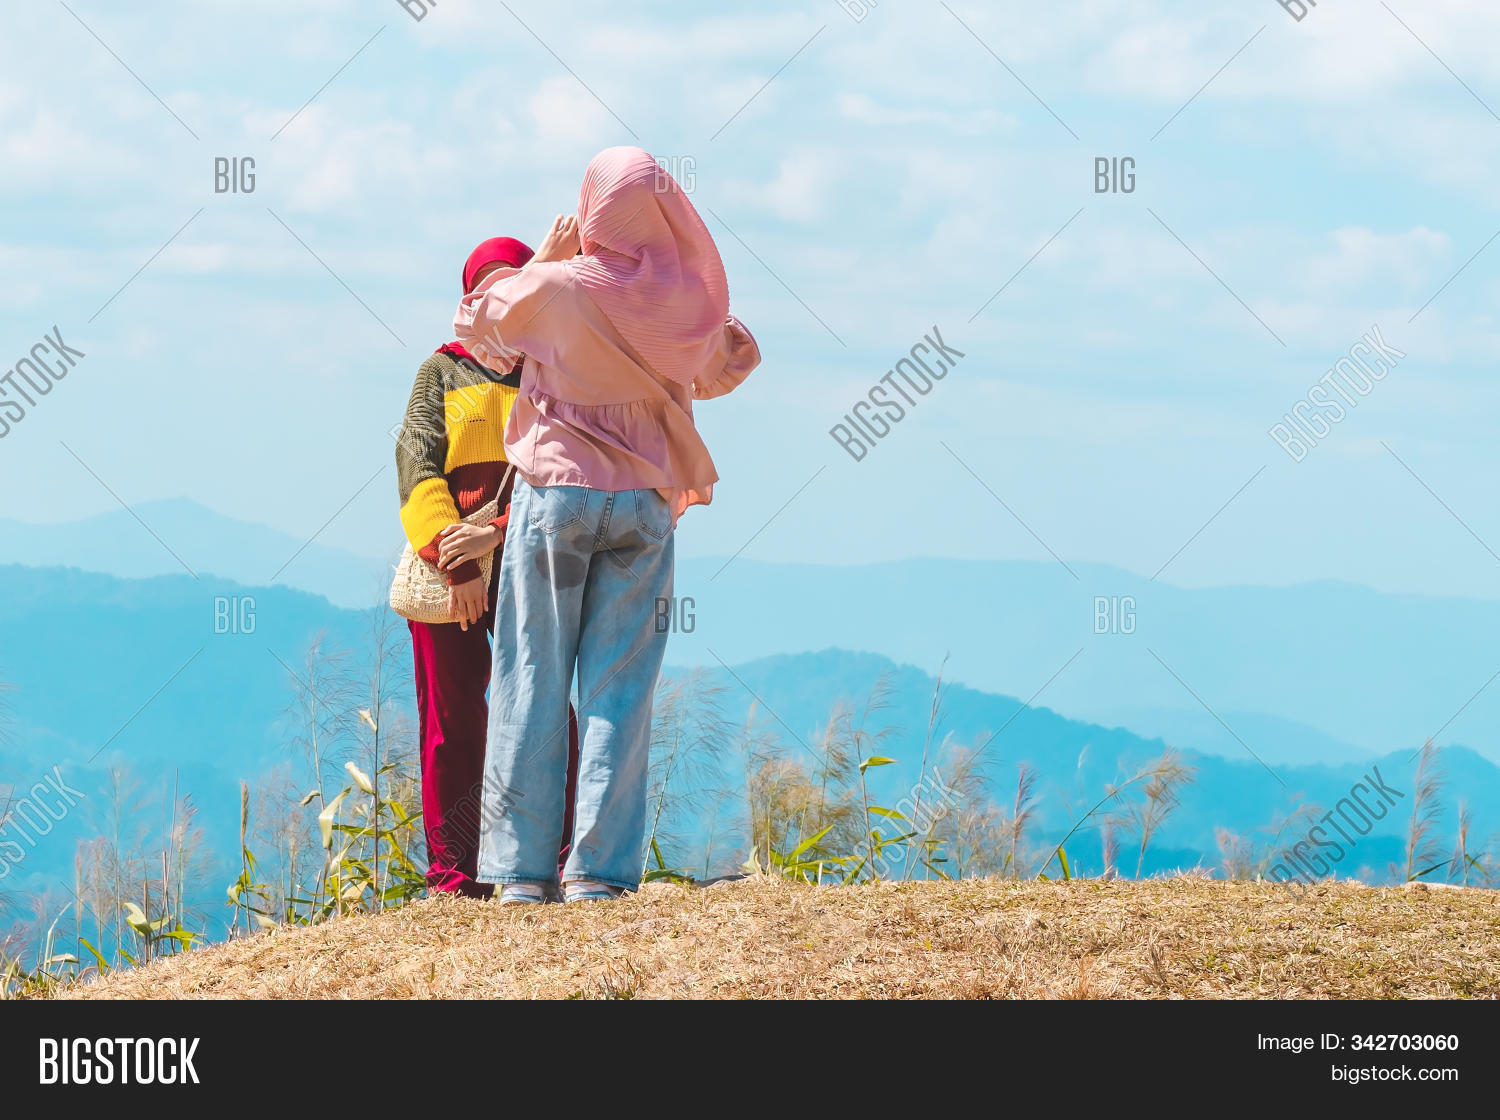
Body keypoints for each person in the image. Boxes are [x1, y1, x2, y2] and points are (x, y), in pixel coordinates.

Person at [453, 147, 761, 904]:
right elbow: (727, 367)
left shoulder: (559, 287)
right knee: (620, 688)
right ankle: (598, 876)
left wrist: (544, 261)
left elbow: (474, 327)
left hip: (555, 498)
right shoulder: (684, 303)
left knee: (530, 671)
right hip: (646, 504)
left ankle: (523, 875)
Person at [395, 236, 579, 899]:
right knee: (451, 724)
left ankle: (563, 861)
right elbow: (416, 468)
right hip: (450, 574)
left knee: (546, 709)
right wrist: (458, 565)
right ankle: (454, 874)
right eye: (489, 287)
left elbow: (564, 475)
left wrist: (494, 539)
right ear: (472, 297)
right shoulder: (439, 372)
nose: (503, 298)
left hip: (530, 563)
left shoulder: (555, 372)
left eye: (516, 284)